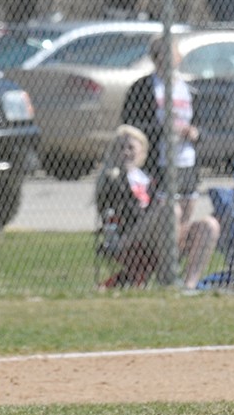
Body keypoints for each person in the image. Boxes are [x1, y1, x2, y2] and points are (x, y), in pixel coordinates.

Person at [94, 124, 220, 290]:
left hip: (157, 235)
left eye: (131, 147)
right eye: (120, 147)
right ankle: (167, 279)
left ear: (142, 152)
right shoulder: (112, 177)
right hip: (128, 237)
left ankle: (189, 286)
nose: (125, 152)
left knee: (209, 225)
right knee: (170, 209)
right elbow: (116, 214)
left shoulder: (147, 178)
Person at [121, 35, 203, 231]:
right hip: (159, 162)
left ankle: (177, 258)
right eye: (157, 54)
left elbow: (201, 124)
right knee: (166, 213)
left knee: (185, 213)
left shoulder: (188, 88)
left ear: (178, 57)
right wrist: (163, 130)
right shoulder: (143, 88)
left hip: (186, 160)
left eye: (168, 53)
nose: (162, 59)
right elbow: (131, 126)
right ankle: (163, 258)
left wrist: (194, 133)